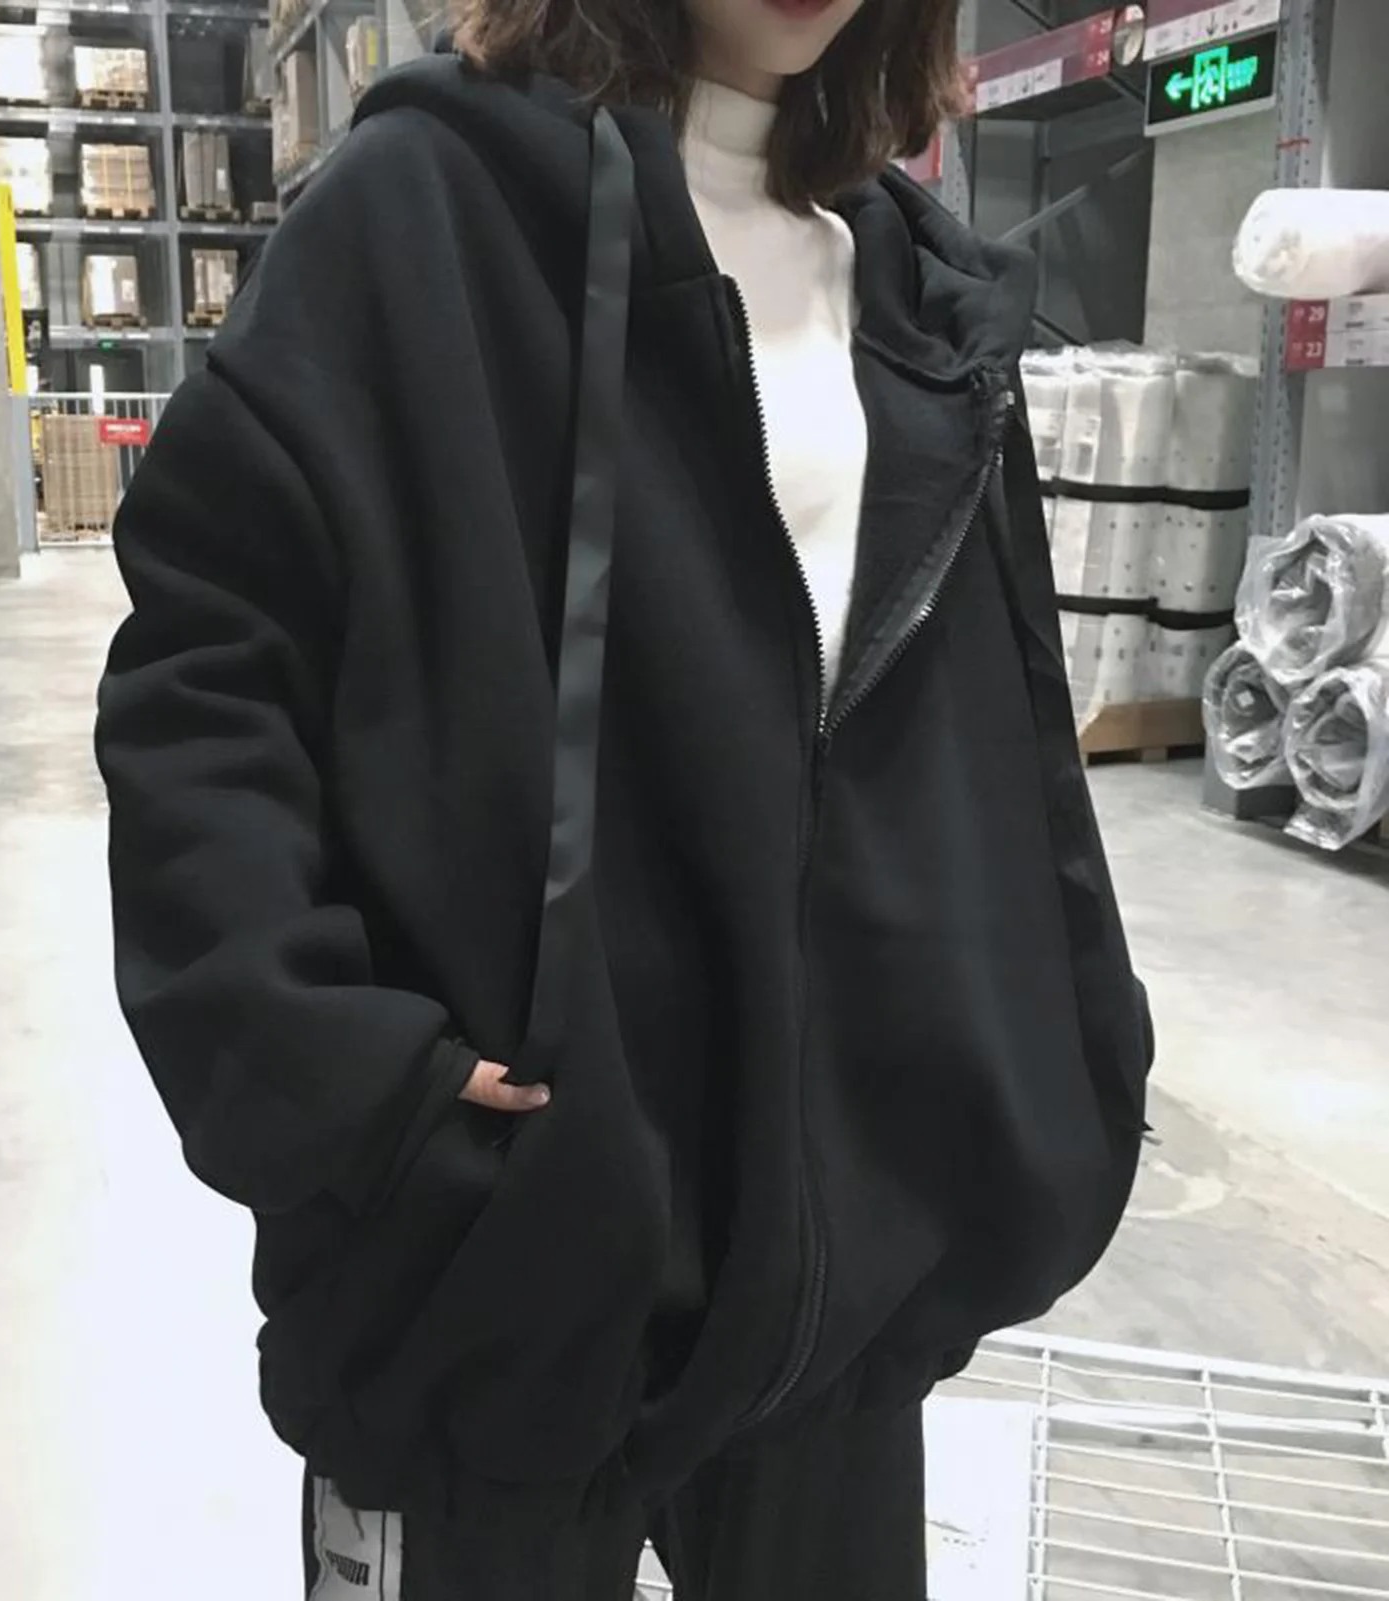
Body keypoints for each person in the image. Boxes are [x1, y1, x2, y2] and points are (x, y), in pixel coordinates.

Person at [94, 0, 1154, 1592]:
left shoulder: (908, 283)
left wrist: (1058, 1044)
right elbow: (210, 669)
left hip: (832, 1307)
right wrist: (347, 1089)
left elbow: (972, 730)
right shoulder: (424, 215)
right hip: (488, 1297)